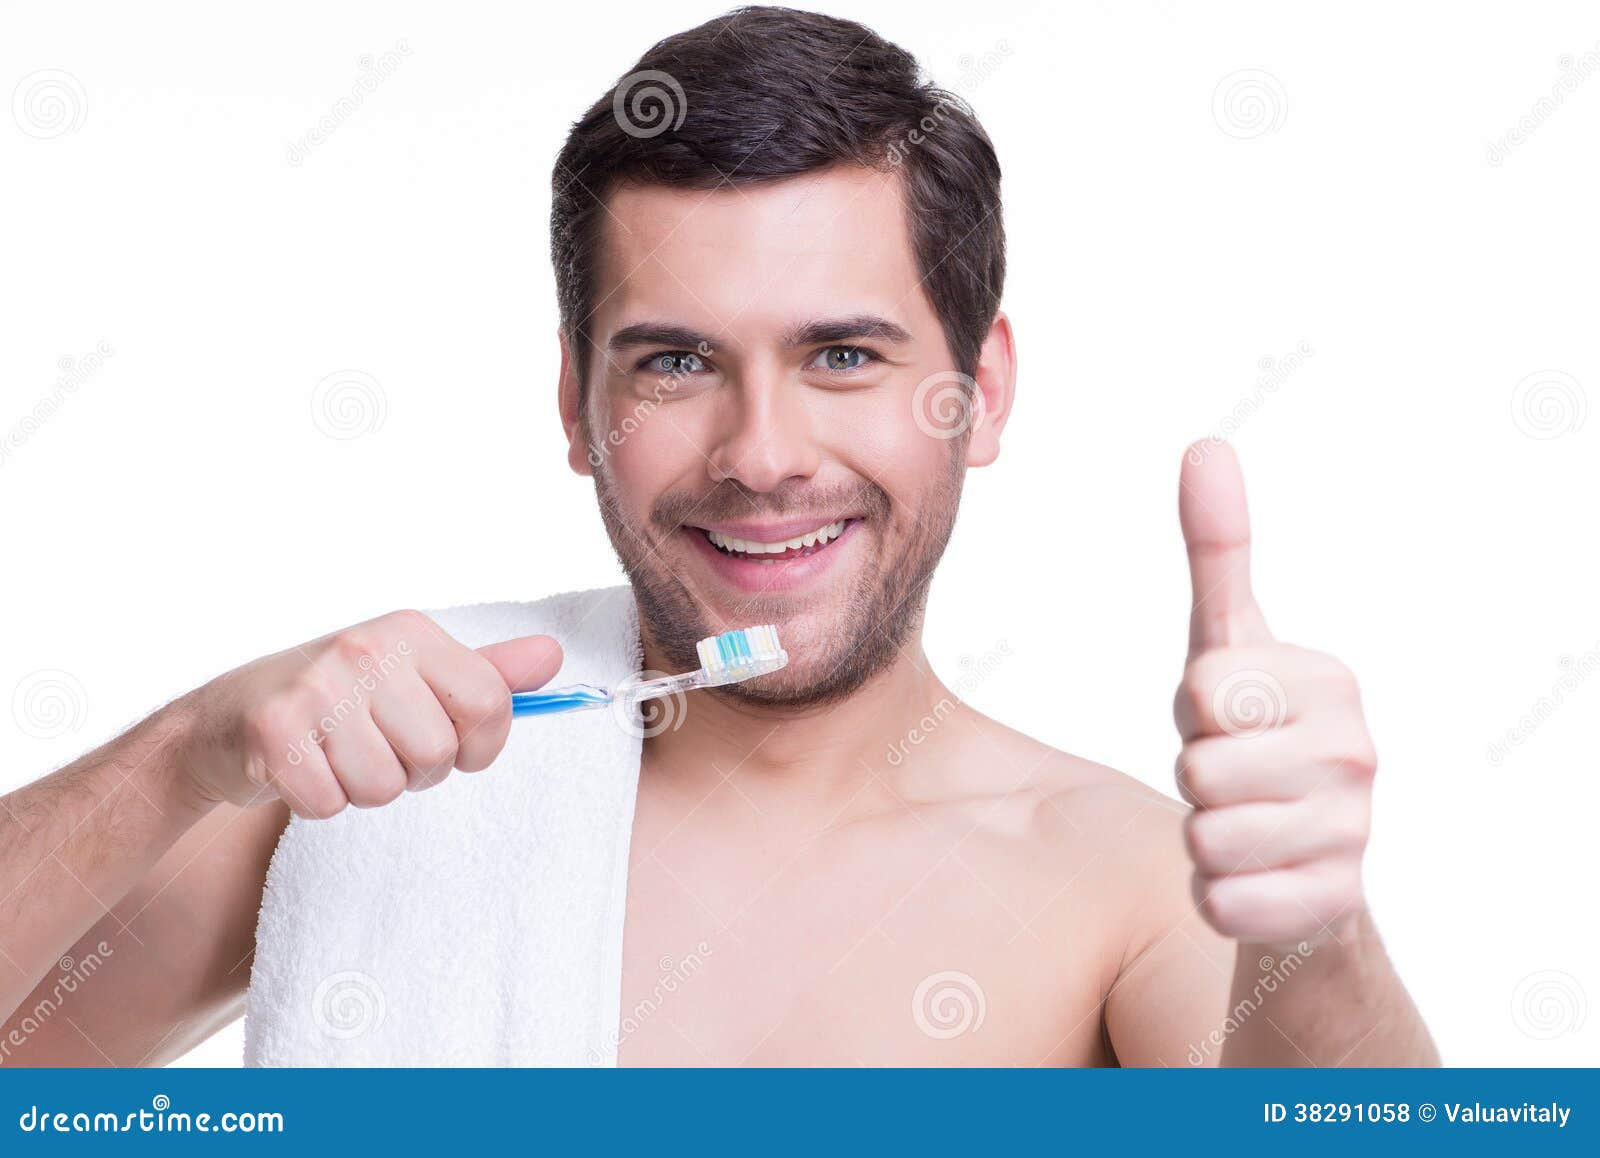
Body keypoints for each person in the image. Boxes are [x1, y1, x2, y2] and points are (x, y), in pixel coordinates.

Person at [0, 6, 1435, 1066]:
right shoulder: (375, 794)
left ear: (977, 392)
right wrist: (186, 748)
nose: (761, 457)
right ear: (578, 401)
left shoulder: (1126, 886)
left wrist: (1319, 927)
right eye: (676, 362)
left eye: (844, 357)